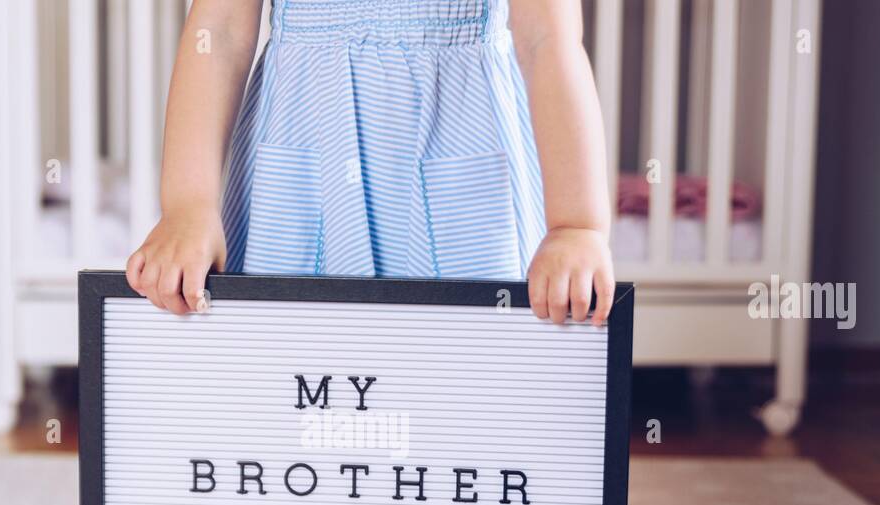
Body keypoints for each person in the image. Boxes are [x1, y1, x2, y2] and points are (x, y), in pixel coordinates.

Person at [126, 0, 614, 326]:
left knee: (468, 380)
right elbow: (219, 33)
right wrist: (188, 204)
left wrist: (576, 225)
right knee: (292, 372)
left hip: (462, 156)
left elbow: (548, 41)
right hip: (304, 156)